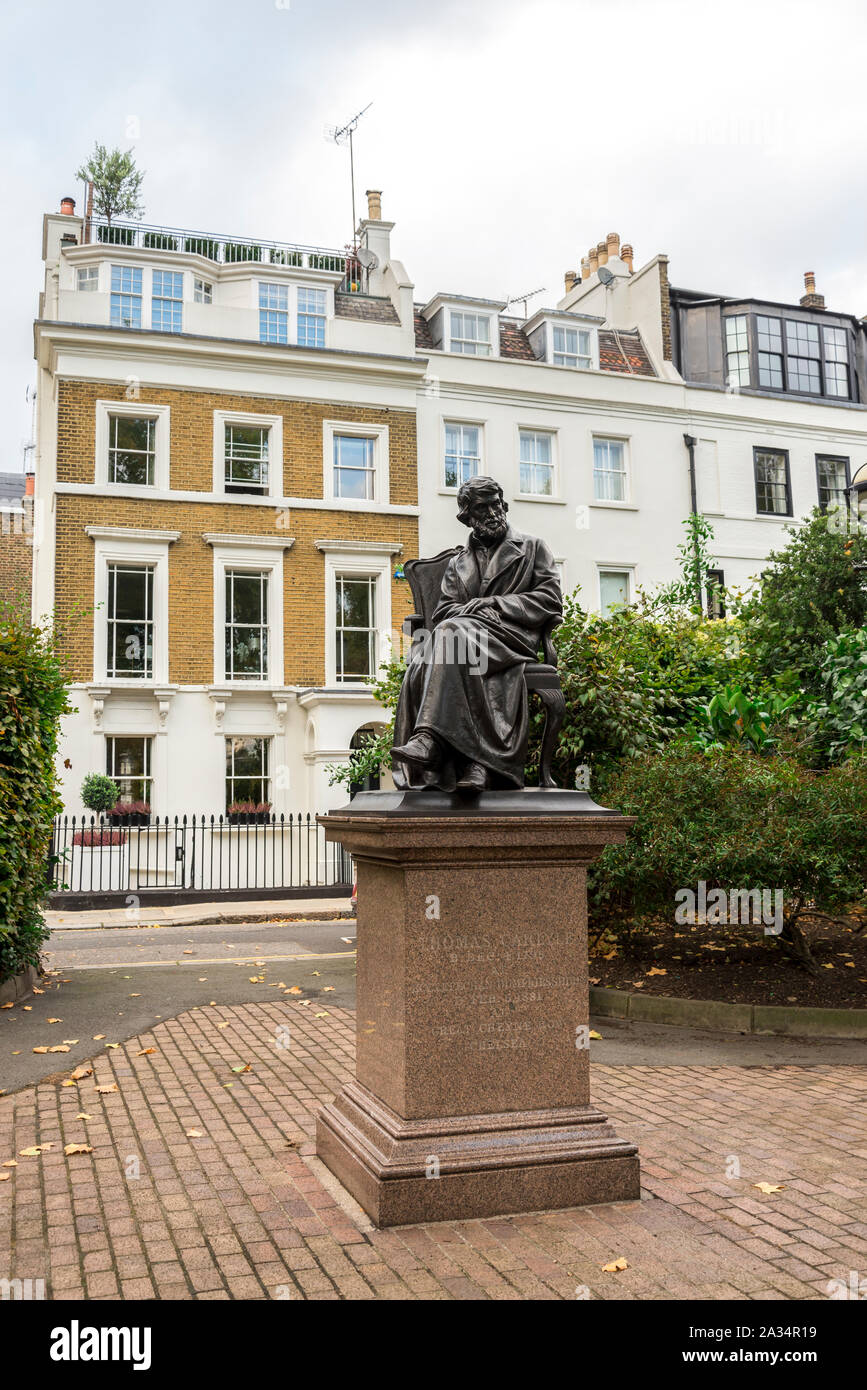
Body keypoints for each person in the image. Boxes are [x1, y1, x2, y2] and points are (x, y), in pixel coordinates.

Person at [391, 475, 562, 792]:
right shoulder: (458, 564)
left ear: (504, 505)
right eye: (482, 508)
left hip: (512, 637)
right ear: (467, 517)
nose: (492, 512)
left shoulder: (534, 548)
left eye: (496, 504)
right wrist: (472, 612)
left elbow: (550, 599)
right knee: (451, 638)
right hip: (465, 640)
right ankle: (476, 766)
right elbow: (443, 611)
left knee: (450, 635)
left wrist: (495, 604)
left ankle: (429, 739)